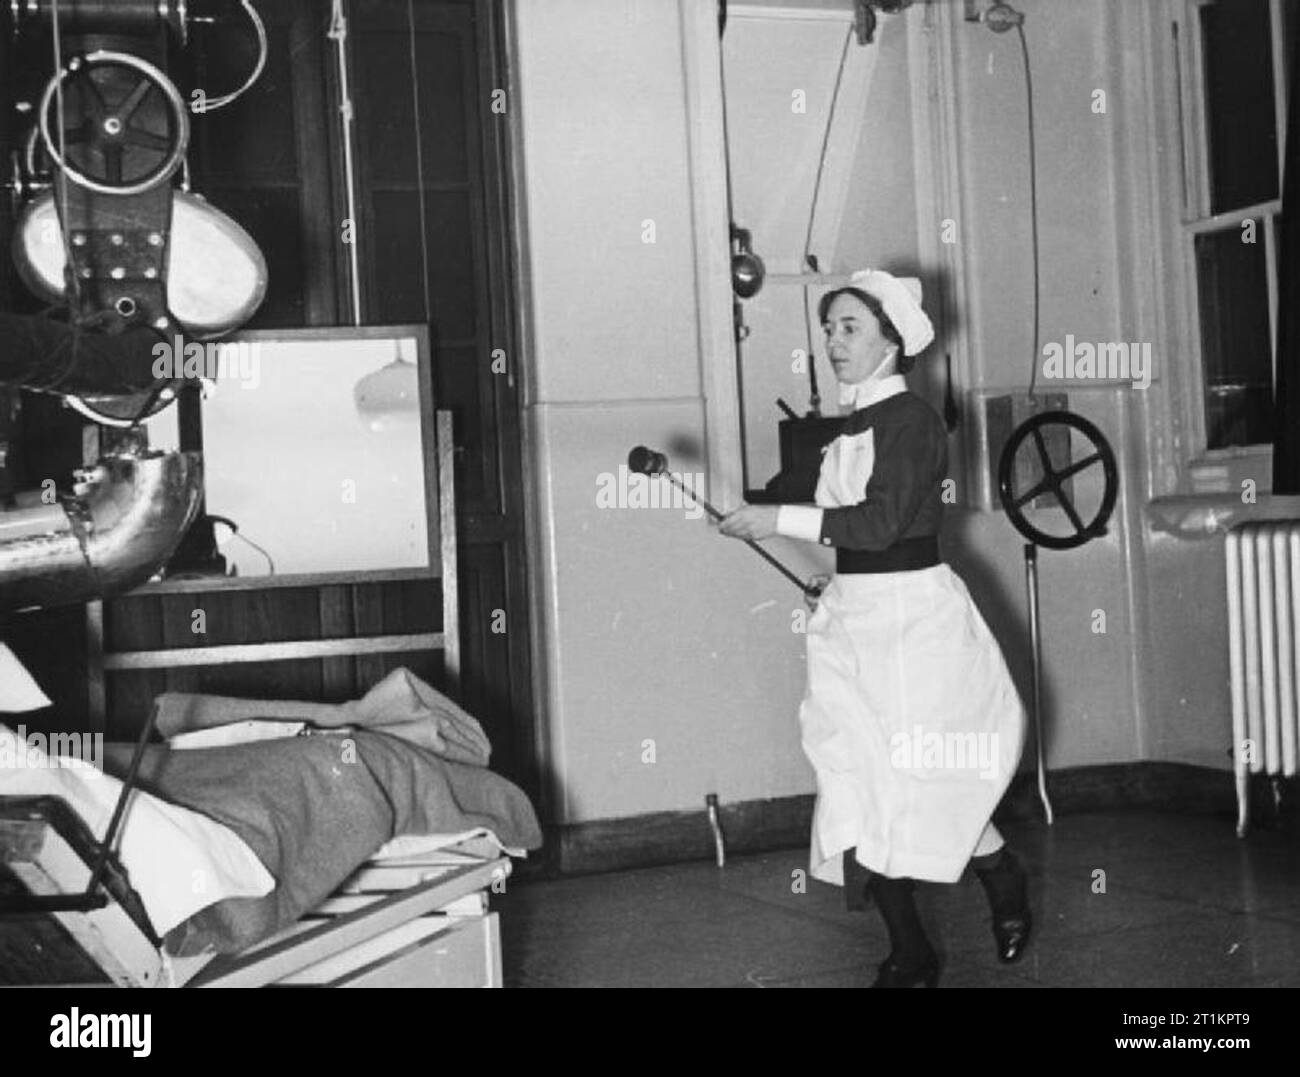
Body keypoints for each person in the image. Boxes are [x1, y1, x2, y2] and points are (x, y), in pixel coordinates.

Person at [719, 269, 1031, 988]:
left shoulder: (915, 422)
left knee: (925, 779)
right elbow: (843, 531)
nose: (833, 341)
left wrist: (775, 519)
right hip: (855, 615)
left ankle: (1002, 875)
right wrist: (756, 517)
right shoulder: (847, 430)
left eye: (850, 327)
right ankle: (909, 951)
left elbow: (882, 524)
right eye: (829, 328)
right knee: (857, 782)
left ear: (893, 340)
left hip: (915, 620)